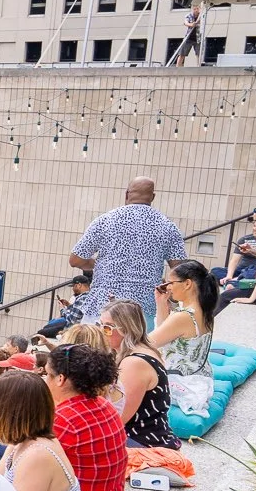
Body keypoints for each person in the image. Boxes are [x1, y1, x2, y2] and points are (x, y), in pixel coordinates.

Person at [69, 178, 187, 323]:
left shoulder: (104, 221)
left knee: (96, 339)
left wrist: (96, 264)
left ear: (126, 194)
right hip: (143, 312)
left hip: (103, 307)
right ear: (152, 197)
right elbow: (181, 270)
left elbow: (75, 260)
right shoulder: (168, 227)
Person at [45, 343, 127, 491]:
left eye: (47, 375)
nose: (45, 381)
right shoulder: (104, 406)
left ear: (60, 379)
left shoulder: (64, 420)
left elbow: (26, 459)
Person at [103, 301, 178, 450]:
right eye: (100, 325)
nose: (101, 332)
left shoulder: (134, 363)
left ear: (125, 329)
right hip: (150, 435)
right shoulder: (140, 352)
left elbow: (119, 418)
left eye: (107, 328)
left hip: (142, 441)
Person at [151, 259, 218, 415]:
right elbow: (165, 334)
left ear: (187, 284)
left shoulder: (183, 316)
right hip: (199, 380)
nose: (168, 287)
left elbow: (148, 343)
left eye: (171, 283)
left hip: (181, 384)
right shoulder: (204, 311)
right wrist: (161, 303)